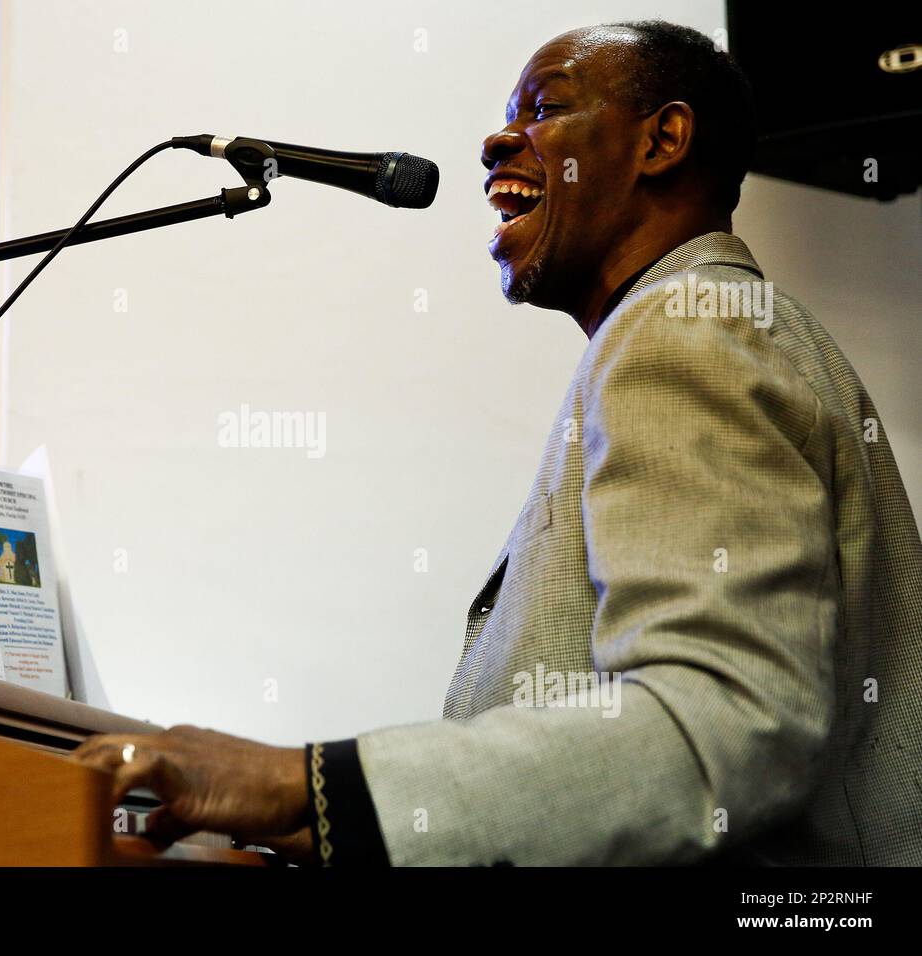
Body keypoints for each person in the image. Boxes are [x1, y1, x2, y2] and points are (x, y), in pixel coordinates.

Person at [72, 20, 922, 866]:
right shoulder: (711, 328)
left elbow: (723, 730)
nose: (494, 142)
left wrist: (301, 782)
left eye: (544, 108)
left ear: (662, 140)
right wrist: (293, 822)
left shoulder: (681, 332)